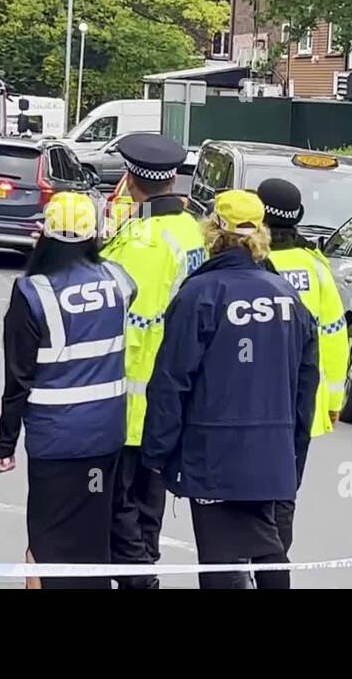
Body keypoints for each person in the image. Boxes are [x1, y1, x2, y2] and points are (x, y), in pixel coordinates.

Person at [142, 190, 318, 590]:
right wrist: (293, 456)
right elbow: (307, 385)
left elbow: (171, 382)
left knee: (221, 556)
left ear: (213, 231)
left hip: (213, 453)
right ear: (261, 234)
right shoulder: (288, 297)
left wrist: (156, 453)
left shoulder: (200, 294)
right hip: (272, 451)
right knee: (268, 550)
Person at [0, 193, 137, 589]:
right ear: (95, 233)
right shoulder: (119, 281)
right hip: (105, 436)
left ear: (44, 233)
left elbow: (17, 378)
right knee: (92, 540)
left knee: (46, 542)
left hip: (55, 440)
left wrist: (6, 443)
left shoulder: (32, 292)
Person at [99, 133, 205, 589]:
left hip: (134, 396)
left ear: (129, 179)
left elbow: (130, 322)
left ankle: (141, 580)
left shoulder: (143, 239)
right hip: (175, 394)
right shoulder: (191, 230)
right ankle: (145, 569)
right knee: (149, 503)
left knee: (120, 505)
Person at [257, 178, 350, 556]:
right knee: (284, 492)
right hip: (301, 410)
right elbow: (333, 334)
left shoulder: (253, 263)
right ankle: (275, 561)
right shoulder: (315, 267)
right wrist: (332, 400)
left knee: (243, 493)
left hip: (251, 402)